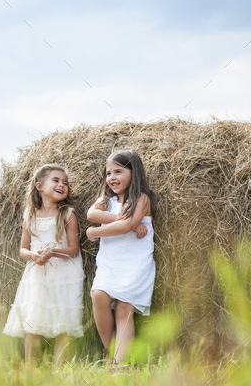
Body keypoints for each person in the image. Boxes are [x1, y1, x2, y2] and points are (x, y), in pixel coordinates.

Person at [3, 164, 85, 365]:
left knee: (64, 322)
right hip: (37, 274)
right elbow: (23, 249)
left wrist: (53, 252)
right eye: (56, 180)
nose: (62, 185)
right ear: (39, 186)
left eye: (65, 182)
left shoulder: (67, 214)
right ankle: (31, 369)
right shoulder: (30, 215)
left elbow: (74, 249)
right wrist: (33, 255)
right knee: (33, 320)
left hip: (66, 274)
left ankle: (60, 370)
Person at [86, 150, 157, 364]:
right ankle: (110, 350)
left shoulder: (142, 199)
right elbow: (91, 215)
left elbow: (125, 226)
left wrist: (94, 232)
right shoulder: (105, 201)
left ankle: (119, 365)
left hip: (135, 263)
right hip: (110, 262)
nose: (112, 177)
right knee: (98, 295)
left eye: (118, 171)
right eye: (108, 173)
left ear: (134, 173)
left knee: (124, 310)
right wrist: (127, 220)